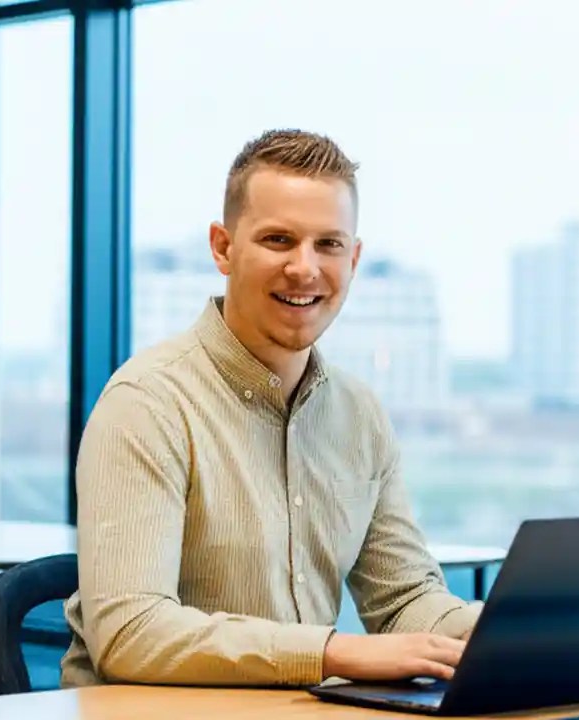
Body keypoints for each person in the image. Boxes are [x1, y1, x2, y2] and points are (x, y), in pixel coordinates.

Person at [61, 129, 481, 688]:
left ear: (353, 259)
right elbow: (132, 633)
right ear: (223, 248)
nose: (305, 268)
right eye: (279, 240)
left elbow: (403, 599)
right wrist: (333, 654)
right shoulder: (147, 404)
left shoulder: (359, 415)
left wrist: (502, 629)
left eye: (328, 244)